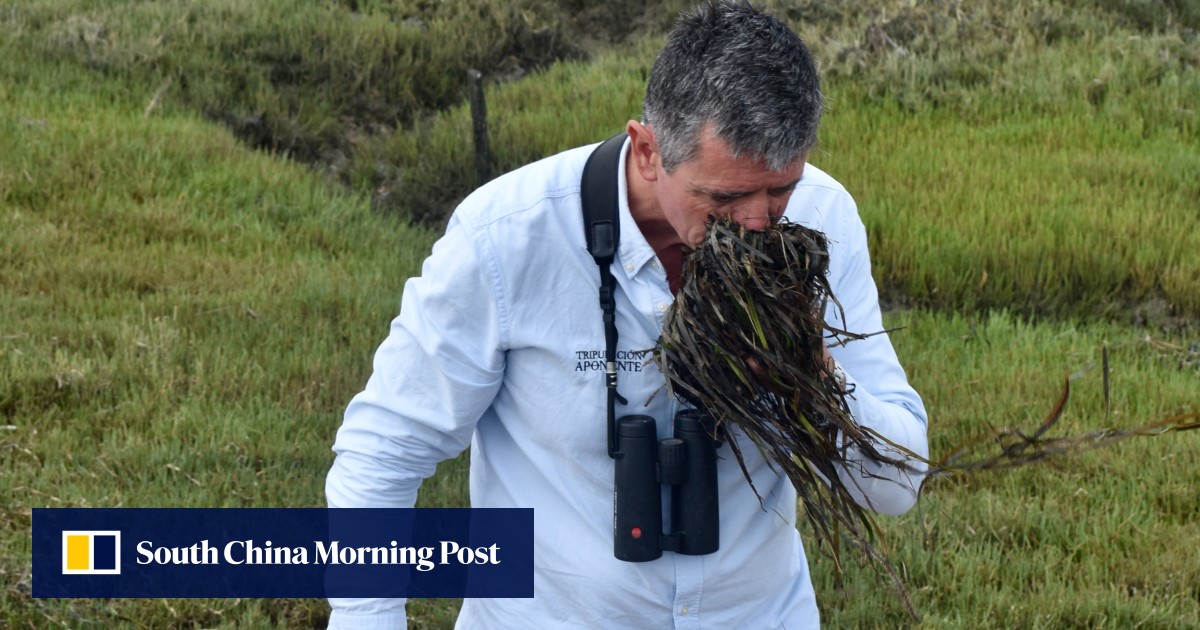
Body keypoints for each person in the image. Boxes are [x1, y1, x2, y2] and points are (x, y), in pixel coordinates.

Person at [325, 1, 929, 627]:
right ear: (646, 149)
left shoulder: (823, 217)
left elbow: (896, 485)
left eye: (780, 189)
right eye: (723, 196)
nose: (757, 220)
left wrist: (812, 384)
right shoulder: (507, 236)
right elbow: (383, 454)